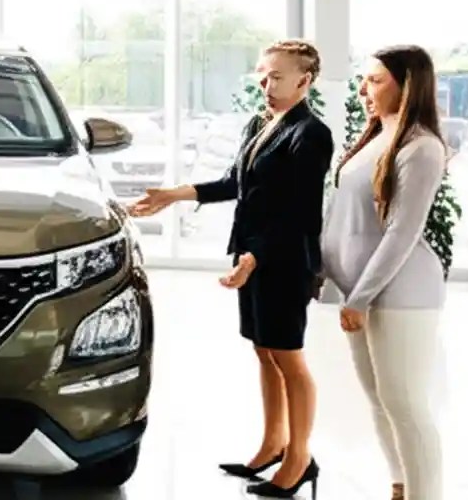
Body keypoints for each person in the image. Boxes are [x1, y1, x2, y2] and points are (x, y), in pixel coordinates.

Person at [129, 40, 334, 499]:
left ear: (305, 80)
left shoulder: (310, 133)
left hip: (281, 260)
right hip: (252, 255)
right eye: (263, 75)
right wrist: (172, 195)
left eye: (277, 77)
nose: (267, 84)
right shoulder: (260, 123)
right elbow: (234, 184)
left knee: (288, 357)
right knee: (264, 351)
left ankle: (300, 459)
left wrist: (255, 257)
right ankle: (273, 445)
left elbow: (298, 212)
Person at [321, 46, 448, 500]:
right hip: (361, 292)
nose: (363, 90)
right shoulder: (376, 136)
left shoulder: (422, 147)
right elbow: (343, 220)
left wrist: (360, 297)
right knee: (380, 401)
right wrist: (323, 272)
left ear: (406, 84)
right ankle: (399, 488)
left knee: (407, 405)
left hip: (400, 293)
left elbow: (402, 233)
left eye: (375, 80)